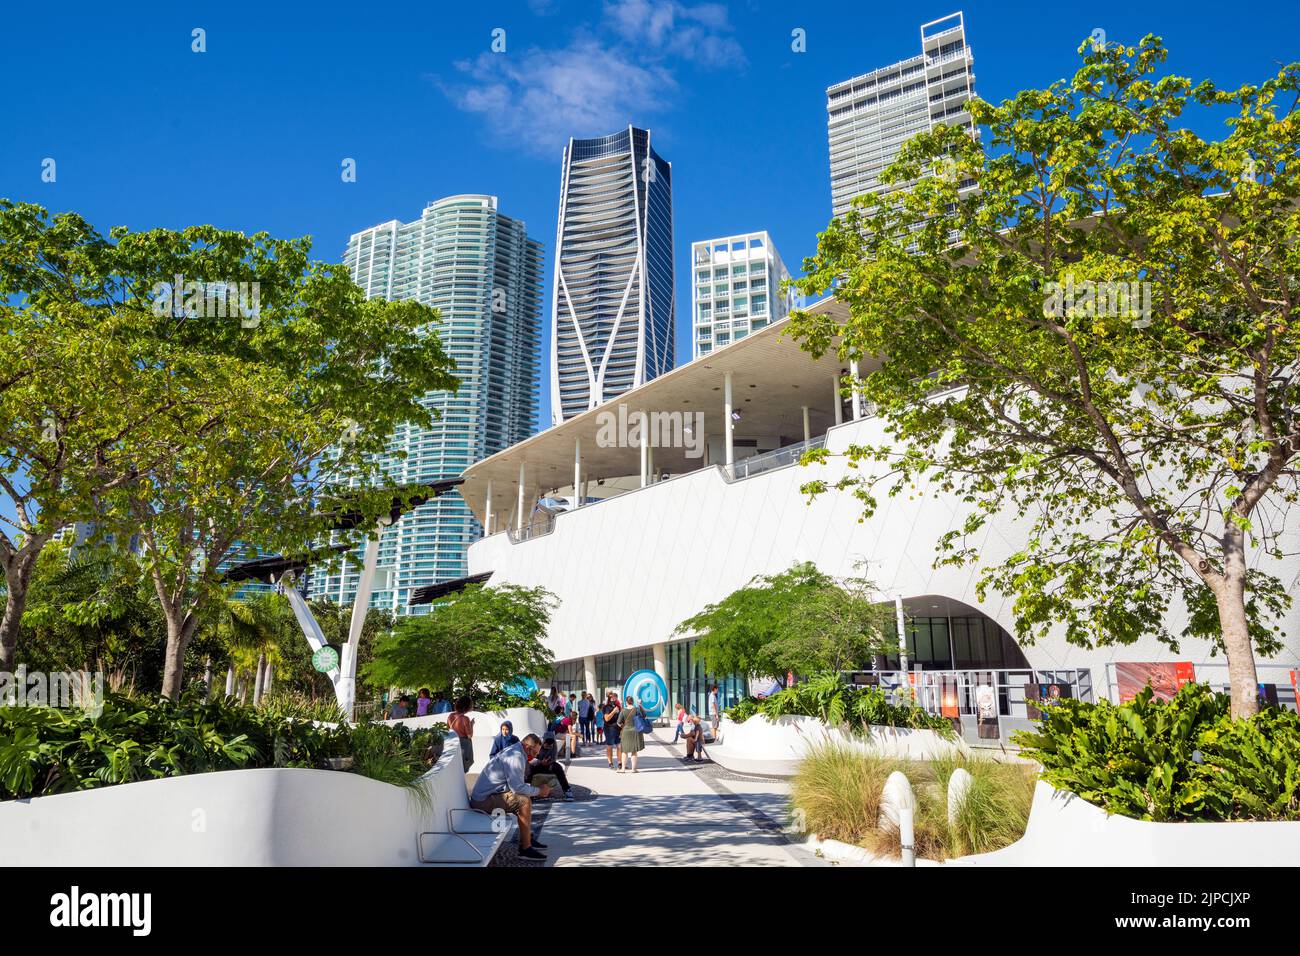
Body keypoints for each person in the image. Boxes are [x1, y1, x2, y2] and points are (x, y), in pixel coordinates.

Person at [469, 733, 552, 860]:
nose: (535, 756)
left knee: (524, 798)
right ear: (528, 747)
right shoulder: (516, 756)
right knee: (524, 801)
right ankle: (525, 849)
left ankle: (526, 838)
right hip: (483, 801)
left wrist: (534, 789)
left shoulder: (515, 750)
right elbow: (517, 788)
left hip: (489, 795)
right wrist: (540, 791)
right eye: (535, 753)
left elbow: (514, 785)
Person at [527, 733, 574, 801]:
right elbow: (531, 759)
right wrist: (540, 762)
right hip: (537, 765)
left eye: (550, 745)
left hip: (548, 765)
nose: (548, 746)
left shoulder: (554, 746)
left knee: (558, 767)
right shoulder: (537, 745)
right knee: (529, 768)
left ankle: (567, 790)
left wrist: (548, 762)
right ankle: (529, 791)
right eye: (546, 745)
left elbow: (554, 758)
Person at [617, 695, 646, 773]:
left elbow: (619, 723)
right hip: (635, 731)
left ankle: (623, 769)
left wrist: (623, 726)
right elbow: (644, 715)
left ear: (626, 702)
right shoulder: (636, 710)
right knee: (634, 751)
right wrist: (640, 705)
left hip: (626, 732)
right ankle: (633, 769)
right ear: (632, 702)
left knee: (624, 751)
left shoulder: (623, 711)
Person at [448, 696, 475, 770]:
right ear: (466, 706)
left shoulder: (450, 716)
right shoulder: (465, 719)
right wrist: (471, 724)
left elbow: (448, 729)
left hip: (452, 742)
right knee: (464, 765)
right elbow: (469, 735)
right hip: (463, 745)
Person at [600, 691, 622, 769]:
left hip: (618, 729)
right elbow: (606, 718)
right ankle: (610, 763)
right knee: (610, 746)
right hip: (609, 729)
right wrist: (613, 711)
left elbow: (621, 718)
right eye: (612, 697)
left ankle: (620, 763)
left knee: (619, 746)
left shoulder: (618, 706)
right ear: (609, 698)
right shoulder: (606, 707)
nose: (614, 698)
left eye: (615, 697)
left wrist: (622, 727)